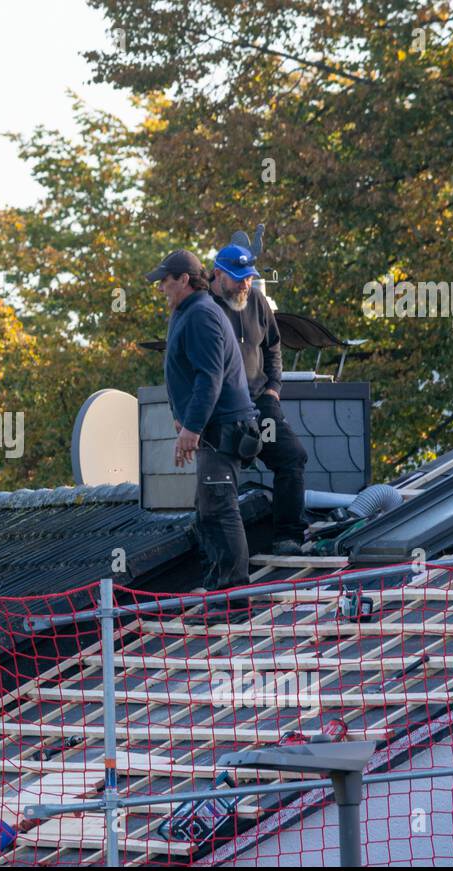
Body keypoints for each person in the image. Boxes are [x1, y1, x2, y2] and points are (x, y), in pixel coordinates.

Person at [145, 249, 261, 606]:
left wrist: (191, 428)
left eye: (165, 281)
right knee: (208, 508)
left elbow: (208, 378)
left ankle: (233, 596)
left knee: (220, 508)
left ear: (184, 279)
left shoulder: (201, 315)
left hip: (222, 428)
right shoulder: (188, 312)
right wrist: (183, 417)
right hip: (214, 427)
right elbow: (188, 374)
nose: (161, 288)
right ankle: (219, 587)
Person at [209, 236, 310, 555]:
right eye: (238, 280)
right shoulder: (202, 309)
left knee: (292, 456)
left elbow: (273, 346)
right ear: (218, 275)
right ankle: (221, 556)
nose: (245, 285)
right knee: (222, 479)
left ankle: (288, 537)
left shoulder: (257, 300)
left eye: (249, 278)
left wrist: (273, 389)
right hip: (221, 409)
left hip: (260, 402)